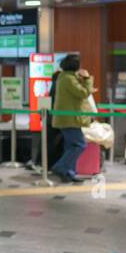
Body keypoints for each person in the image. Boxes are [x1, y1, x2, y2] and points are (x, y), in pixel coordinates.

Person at [50, 54, 95, 183]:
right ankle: (60, 167)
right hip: (69, 119)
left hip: (68, 118)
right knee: (80, 144)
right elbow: (83, 93)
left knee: (70, 146)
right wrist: (87, 79)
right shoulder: (69, 79)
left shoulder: (65, 77)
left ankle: (69, 173)